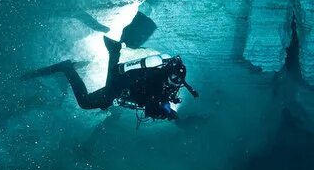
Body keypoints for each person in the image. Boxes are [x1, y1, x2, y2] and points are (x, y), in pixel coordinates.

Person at [25, 36, 198, 121]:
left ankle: (113, 51)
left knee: (110, 85)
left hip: (122, 86)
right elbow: (151, 107)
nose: (173, 84)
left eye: (177, 82)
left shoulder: (161, 80)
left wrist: (167, 109)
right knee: (85, 102)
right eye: (173, 80)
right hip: (121, 86)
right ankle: (67, 68)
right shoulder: (156, 80)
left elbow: (156, 101)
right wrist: (166, 112)